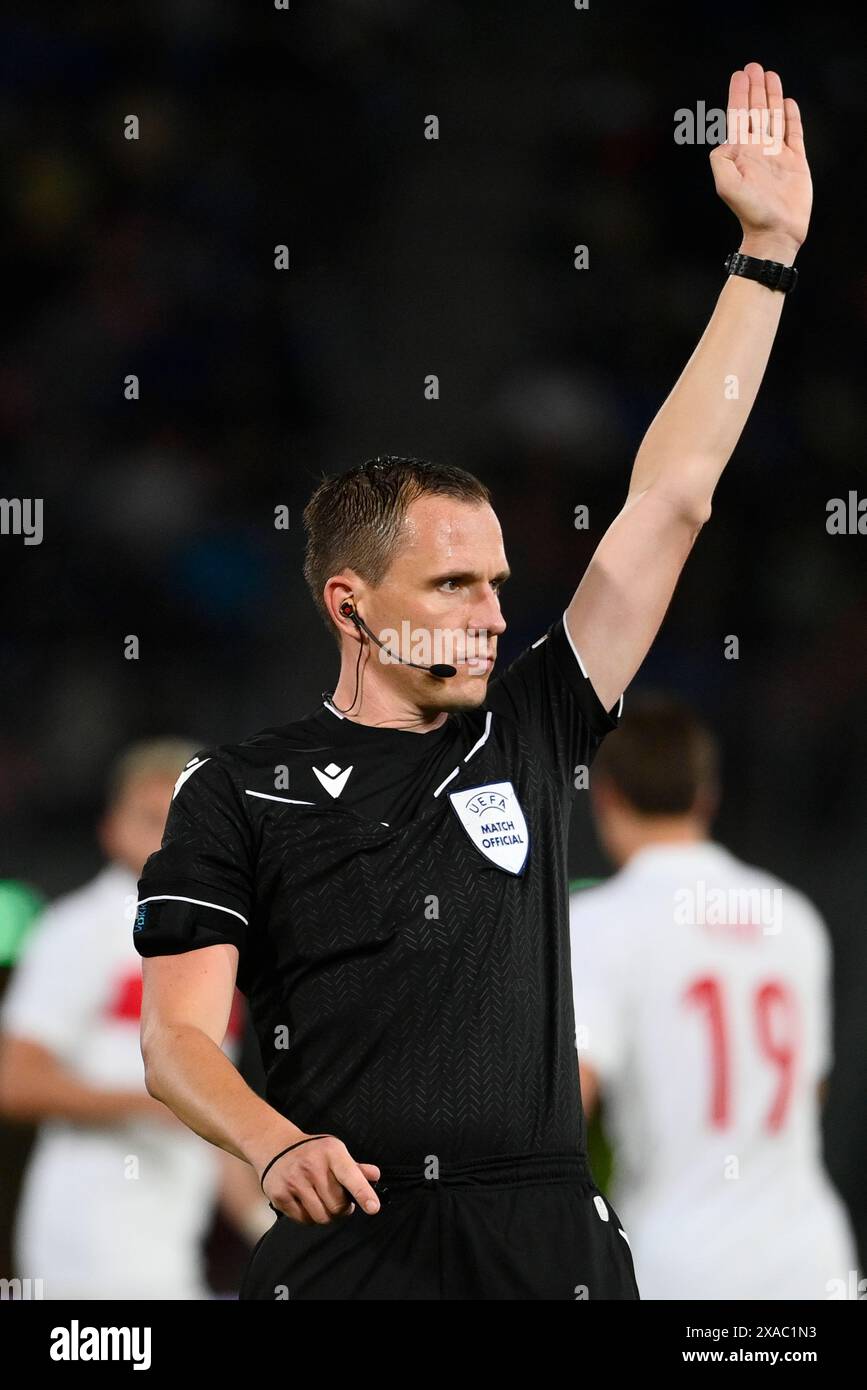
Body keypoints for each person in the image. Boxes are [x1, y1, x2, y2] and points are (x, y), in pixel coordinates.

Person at [132, 63, 812, 1299]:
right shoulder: (235, 793)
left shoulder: (537, 725)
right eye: (454, 587)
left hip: (549, 1246)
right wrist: (270, 1139)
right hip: (357, 1242)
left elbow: (674, 498)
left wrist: (763, 258)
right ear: (352, 604)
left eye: (499, 583)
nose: (495, 614)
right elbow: (175, 1040)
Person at [569, 694, 860, 1299]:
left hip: (680, 1265)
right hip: (812, 1259)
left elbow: (564, 1106)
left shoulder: (598, 922)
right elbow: (811, 1088)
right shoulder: (791, 914)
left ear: (606, 797)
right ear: (707, 795)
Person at [0, 740, 270, 1300]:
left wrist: (263, 1225)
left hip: (171, 1242)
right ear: (110, 829)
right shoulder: (80, 929)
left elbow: (209, 1120)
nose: (166, 838)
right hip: (90, 1244)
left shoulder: (215, 949)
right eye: (150, 819)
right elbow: (14, 1081)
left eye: (185, 820)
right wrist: (163, 1097)